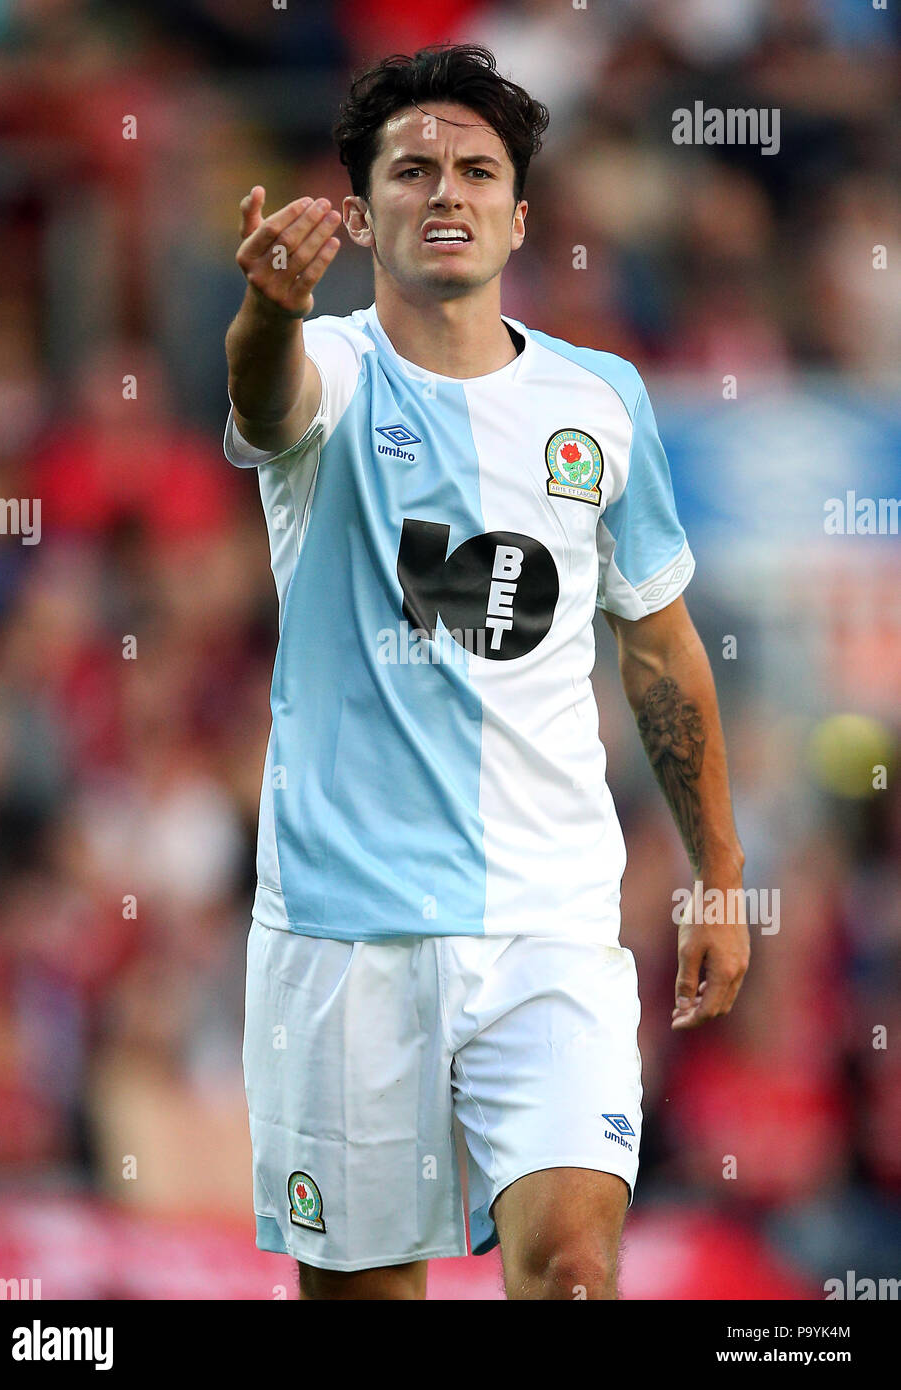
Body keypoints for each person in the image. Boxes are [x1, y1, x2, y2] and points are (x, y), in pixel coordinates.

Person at [223, 44, 748, 1300]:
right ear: (363, 212)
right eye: (412, 170)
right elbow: (263, 390)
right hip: (346, 926)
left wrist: (721, 875)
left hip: (549, 919)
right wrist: (271, 308)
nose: (444, 192)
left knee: (573, 1272)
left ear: (519, 214)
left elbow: (662, 645)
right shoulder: (333, 369)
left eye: (476, 170)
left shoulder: (602, 400)